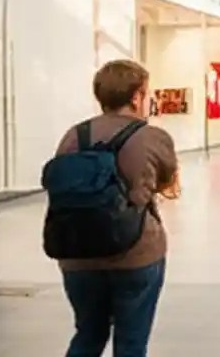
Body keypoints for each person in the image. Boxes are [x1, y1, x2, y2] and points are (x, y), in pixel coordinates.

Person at [53, 59, 179, 357]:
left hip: (78, 252)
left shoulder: (74, 136)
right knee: (131, 343)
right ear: (136, 96)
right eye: (147, 94)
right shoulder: (152, 136)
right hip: (135, 252)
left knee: (88, 335)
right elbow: (167, 181)